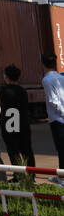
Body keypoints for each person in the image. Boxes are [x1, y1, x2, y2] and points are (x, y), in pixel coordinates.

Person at [0, 65, 35, 169]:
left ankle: (18, 175)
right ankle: (31, 175)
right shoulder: (22, 91)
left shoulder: (2, 90)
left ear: (6, 76)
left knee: (13, 151)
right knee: (27, 150)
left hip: (9, 124)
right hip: (23, 123)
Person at [43, 54, 64, 187]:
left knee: (61, 149)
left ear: (43, 64)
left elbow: (53, 101)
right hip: (60, 118)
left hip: (57, 119)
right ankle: (60, 176)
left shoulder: (46, 80)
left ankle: (62, 179)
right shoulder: (61, 77)